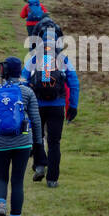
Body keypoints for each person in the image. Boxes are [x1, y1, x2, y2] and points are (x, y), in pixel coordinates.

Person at [0, 57, 45, 216]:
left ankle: (1, 206)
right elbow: (36, 120)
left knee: (1, 178)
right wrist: (38, 145)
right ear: (19, 71)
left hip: (0, 143)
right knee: (17, 181)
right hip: (23, 143)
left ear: (4, 71)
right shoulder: (27, 92)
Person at [22, 30, 79, 187]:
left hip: (37, 106)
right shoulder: (63, 59)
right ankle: (52, 179)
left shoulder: (34, 58)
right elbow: (74, 82)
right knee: (54, 143)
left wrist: (27, 100)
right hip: (57, 106)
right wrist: (72, 106)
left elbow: (23, 80)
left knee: (37, 137)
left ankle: (40, 165)